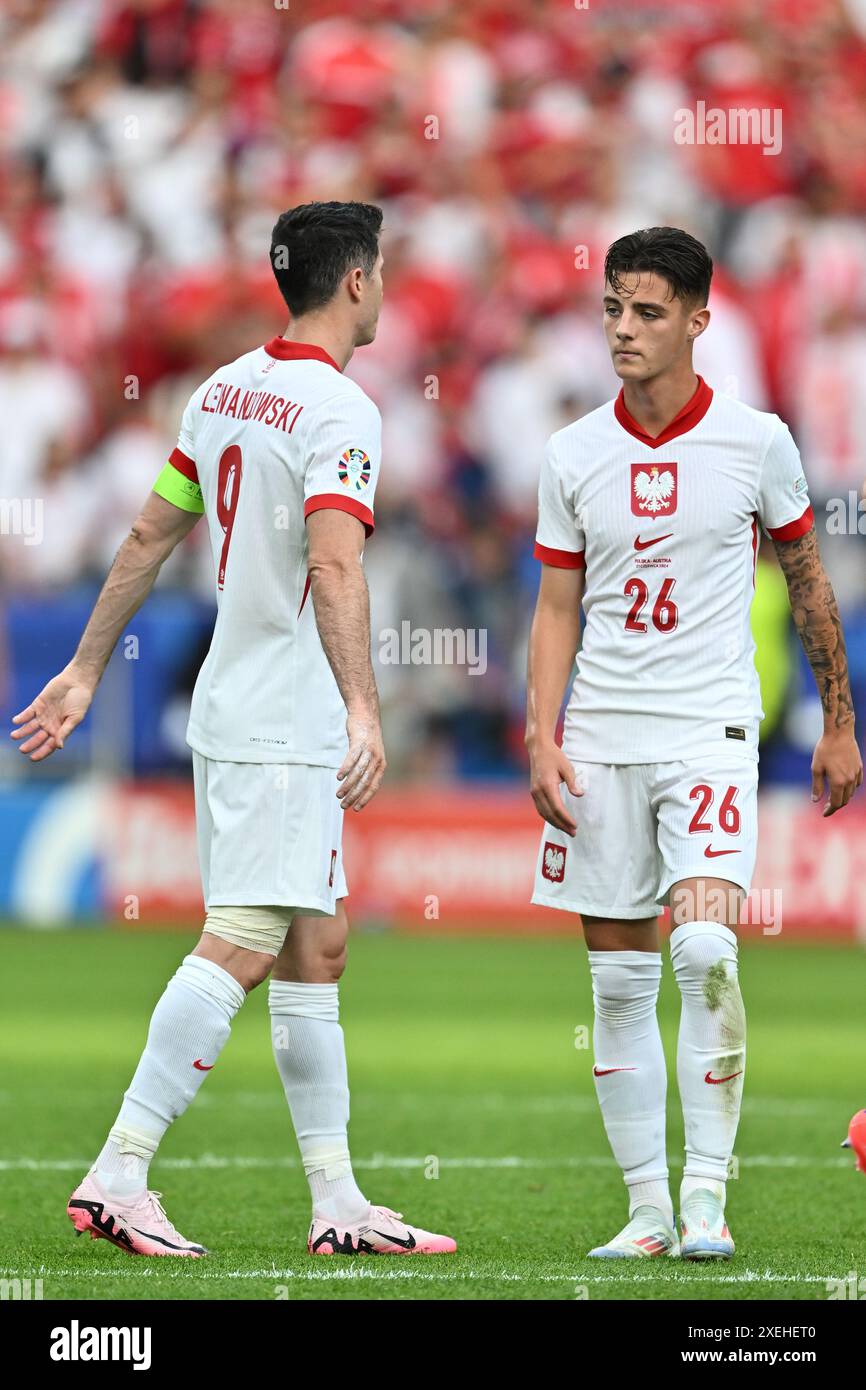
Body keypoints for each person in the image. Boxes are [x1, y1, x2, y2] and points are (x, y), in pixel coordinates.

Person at [11, 200, 456, 1259]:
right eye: (380, 270)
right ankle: (119, 1167)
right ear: (355, 280)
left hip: (231, 705)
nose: (384, 285)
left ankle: (338, 1204)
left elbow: (150, 530)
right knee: (248, 940)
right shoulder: (341, 410)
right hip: (287, 722)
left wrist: (83, 666)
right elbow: (336, 560)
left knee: (318, 942)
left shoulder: (220, 390)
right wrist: (361, 703)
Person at [525, 226, 862, 1261]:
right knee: (618, 986)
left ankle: (705, 1194)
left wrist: (839, 722)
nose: (623, 330)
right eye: (612, 309)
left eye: (646, 311)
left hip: (710, 727)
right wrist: (540, 736)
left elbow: (807, 581)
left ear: (697, 320)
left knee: (706, 946)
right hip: (600, 735)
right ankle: (646, 1211)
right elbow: (553, 608)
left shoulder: (757, 441)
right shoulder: (571, 452)